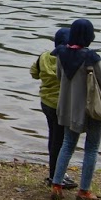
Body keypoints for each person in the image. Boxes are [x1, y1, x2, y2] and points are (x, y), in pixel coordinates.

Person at [50, 18, 101, 200]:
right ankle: (84, 191)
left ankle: (57, 185)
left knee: (67, 145)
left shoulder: (60, 53)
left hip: (69, 109)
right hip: (91, 109)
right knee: (91, 148)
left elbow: (60, 77)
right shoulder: (91, 57)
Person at [31, 26, 76, 189]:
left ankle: (55, 173)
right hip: (62, 106)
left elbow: (34, 73)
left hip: (45, 103)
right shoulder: (70, 59)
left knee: (53, 138)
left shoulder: (43, 57)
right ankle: (55, 175)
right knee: (61, 141)